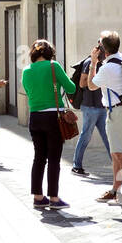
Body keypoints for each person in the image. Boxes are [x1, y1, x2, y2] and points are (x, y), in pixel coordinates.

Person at [19, 39, 76, 209]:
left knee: (39, 158)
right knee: (54, 159)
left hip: (34, 118)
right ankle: (54, 198)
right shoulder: (53, 66)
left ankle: (38, 196)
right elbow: (71, 88)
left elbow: (29, 92)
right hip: (53, 117)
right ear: (50, 52)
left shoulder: (26, 71)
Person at [89, 31, 122, 206]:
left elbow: (90, 85)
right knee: (116, 154)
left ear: (103, 49)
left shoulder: (107, 68)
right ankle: (115, 191)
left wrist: (93, 62)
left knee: (121, 154)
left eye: (99, 45)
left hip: (118, 114)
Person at [72, 42, 110, 177]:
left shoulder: (105, 64)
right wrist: (96, 80)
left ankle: (120, 165)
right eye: (105, 52)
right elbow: (82, 83)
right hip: (90, 105)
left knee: (108, 136)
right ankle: (76, 165)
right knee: (86, 134)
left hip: (101, 106)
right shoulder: (89, 62)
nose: (106, 55)